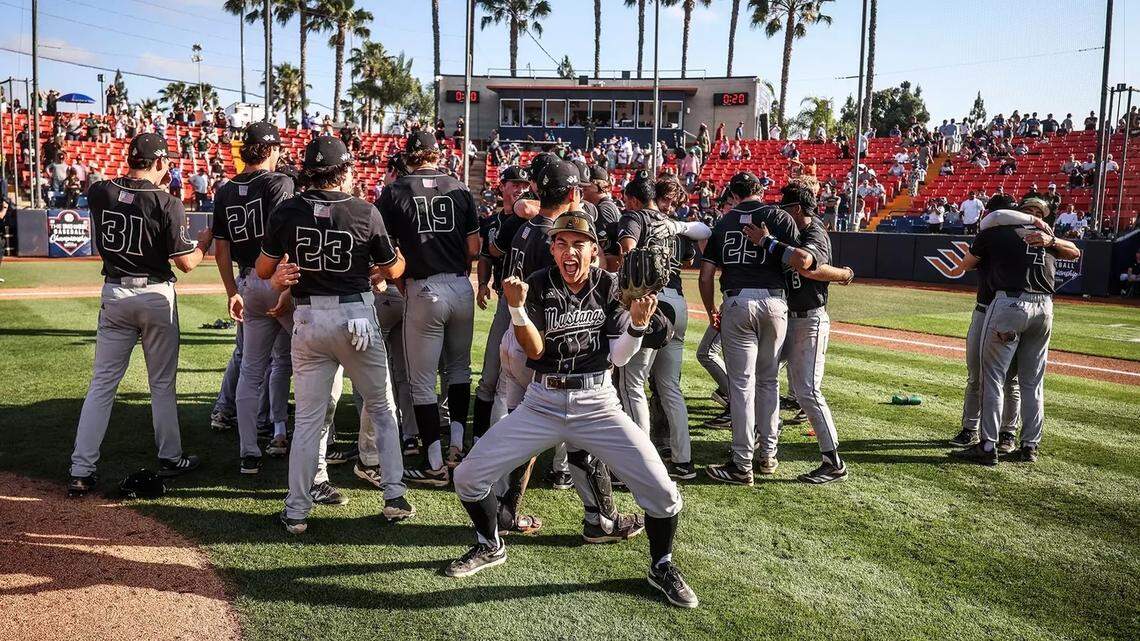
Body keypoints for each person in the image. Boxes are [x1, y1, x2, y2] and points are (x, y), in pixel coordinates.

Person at [445, 211, 698, 609]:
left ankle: (661, 564)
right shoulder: (539, 284)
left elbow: (616, 357)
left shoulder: (611, 286)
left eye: (578, 243)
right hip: (542, 402)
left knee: (663, 492)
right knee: (468, 477)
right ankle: (489, 544)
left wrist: (635, 325)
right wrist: (515, 309)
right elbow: (536, 351)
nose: (568, 251)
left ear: (594, 251)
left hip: (598, 404)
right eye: (561, 243)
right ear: (552, 248)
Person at [259, 135, 412, 531]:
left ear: (309, 171)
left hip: (309, 319)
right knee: (381, 407)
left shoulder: (288, 209)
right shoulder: (363, 211)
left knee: (309, 418)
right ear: (344, 171)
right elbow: (394, 269)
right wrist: (391, 264)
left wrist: (277, 276)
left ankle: (296, 510)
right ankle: (394, 495)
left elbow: (262, 269)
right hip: (355, 316)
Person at [67, 133, 213, 497]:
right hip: (154, 294)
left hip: (114, 292)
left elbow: (115, 191)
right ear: (160, 163)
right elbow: (186, 264)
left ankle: (81, 470)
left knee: (102, 385)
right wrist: (206, 241)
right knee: (161, 384)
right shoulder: (167, 202)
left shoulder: (100, 191)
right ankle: (171, 456)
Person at [377, 131, 480, 482]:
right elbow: (474, 246)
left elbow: (384, 251)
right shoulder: (460, 187)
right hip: (461, 286)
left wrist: (397, 278)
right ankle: (456, 447)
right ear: (438, 154)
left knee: (421, 383)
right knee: (460, 370)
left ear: (408, 156)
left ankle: (434, 463)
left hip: (424, 288)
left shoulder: (395, 191)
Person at [951, 198, 1081, 465]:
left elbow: (966, 261)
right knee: (1030, 382)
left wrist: (1050, 238)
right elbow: (1075, 253)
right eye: (1030, 211)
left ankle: (989, 445)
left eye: (1039, 212)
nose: (1035, 215)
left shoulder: (999, 231)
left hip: (1008, 305)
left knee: (994, 378)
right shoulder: (1044, 234)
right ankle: (1029, 445)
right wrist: (1048, 237)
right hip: (1043, 308)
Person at [700, 172, 801, 484]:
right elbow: (798, 260)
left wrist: (710, 310)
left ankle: (741, 463)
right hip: (775, 302)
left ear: (733, 193)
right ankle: (768, 455)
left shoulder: (723, 222)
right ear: (760, 189)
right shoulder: (779, 216)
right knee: (769, 382)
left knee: (742, 385)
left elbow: (705, 276)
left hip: (737, 301)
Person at [210, 122, 298, 473]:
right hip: (276, 277)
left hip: (247, 280)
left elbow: (220, 250)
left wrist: (232, 291)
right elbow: (287, 237)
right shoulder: (280, 182)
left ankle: (249, 452)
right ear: (272, 150)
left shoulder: (226, 189)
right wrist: (287, 286)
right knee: (309, 362)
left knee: (251, 369)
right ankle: (292, 437)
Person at [758, 180, 855, 483]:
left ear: (796, 209)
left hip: (810, 319)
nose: (780, 214)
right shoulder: (792, 232)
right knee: (765, 376)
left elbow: (806, 264)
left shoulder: (815, 232)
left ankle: (833, 461)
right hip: (789, 317)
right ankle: (763, 441)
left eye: (785, 208)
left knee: (807, 390)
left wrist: (767, 242)